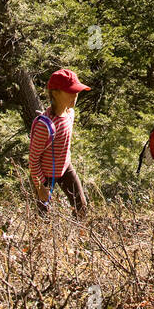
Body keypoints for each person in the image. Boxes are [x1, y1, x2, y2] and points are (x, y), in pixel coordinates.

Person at [29, 68, 91, 218]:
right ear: (55, 93)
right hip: (46, 175)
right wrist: (40, 186)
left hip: (65, 168)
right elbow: (33, 159)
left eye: (77, 91)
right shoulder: (46, 125)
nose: (75, 96)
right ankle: (42, 239)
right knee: (43, 215)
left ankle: (79, 236)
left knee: (81, 206)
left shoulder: (70, 114)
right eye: (70, 92)